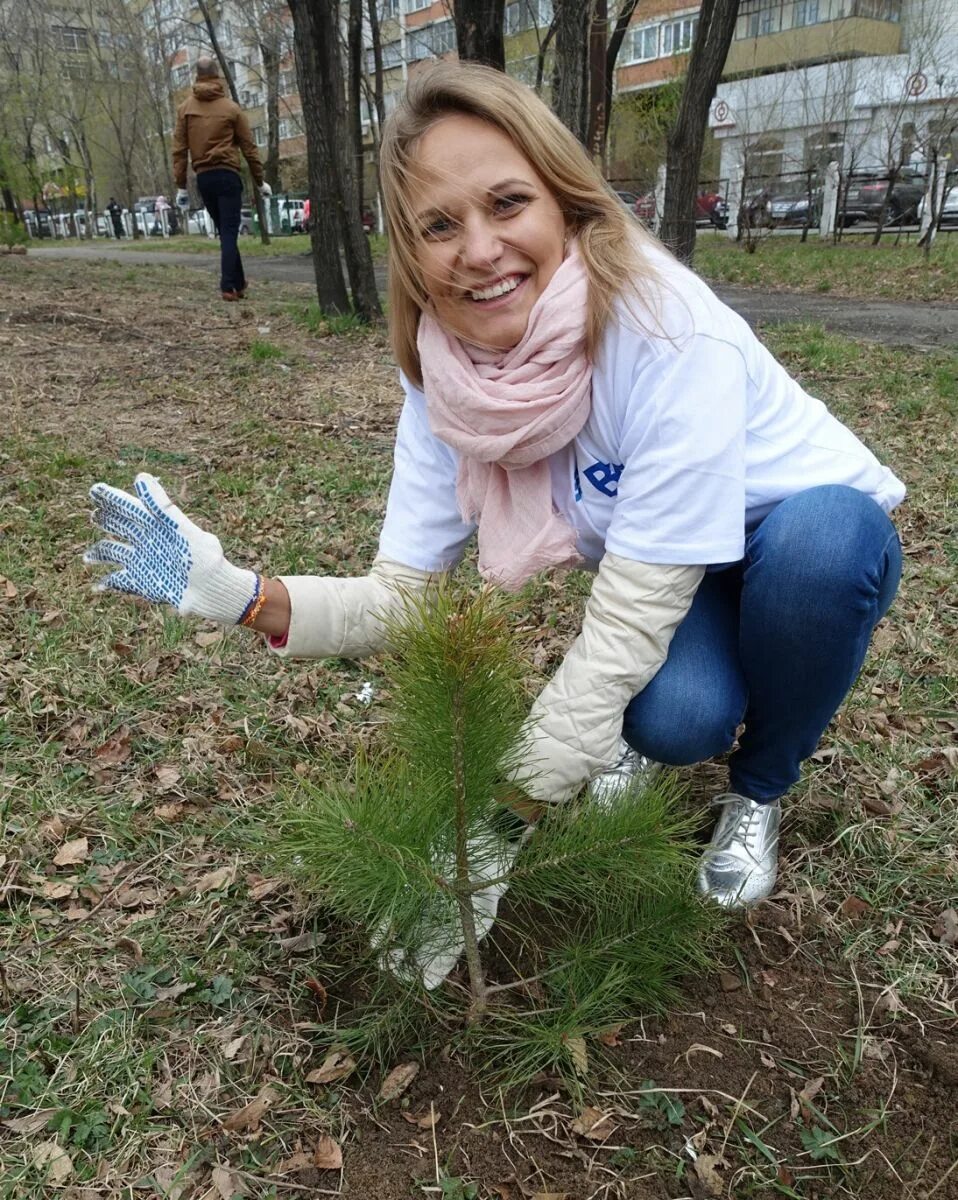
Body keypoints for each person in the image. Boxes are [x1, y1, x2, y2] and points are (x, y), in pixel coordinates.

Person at [85, 62, 904, 987]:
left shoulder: (666, 332)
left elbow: (629, 619)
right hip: (684, 568)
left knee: (821, 551)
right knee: (676, 722)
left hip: (799, 541)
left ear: (563, 202)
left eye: (507, 203)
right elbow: (403, 598)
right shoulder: (446, 379)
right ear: (410, 249)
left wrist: (501, 823)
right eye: (439, 224)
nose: (479, 250)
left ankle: (758, 792)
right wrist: (243, 597)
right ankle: (643, 736)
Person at [172, 56, 272, 301]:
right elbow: (249, 147)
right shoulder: (231, 108)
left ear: (196, 76)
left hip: (204, 178)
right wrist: (260, 181)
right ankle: (228, 286)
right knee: (229, 231)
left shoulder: (185, 109)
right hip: (228, 175)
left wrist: (182, 186)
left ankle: (238, 281)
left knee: (224, 230)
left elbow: (179, 149)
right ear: (218, 76)